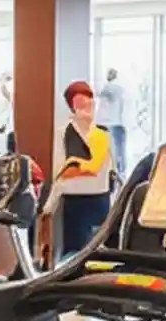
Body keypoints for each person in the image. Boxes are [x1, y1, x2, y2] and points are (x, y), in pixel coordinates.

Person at [43, 80, 114, 260]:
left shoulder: (103, 133)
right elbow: (60, 170)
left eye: (89, 100)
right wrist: (50, 203)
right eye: (80, 102)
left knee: (100, 253)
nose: (86, 106)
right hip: (75, 201)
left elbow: (109, 168)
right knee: (75, 254)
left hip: (101, 199)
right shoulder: (64, 133)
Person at [95, 68, 127, 175]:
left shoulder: (112, 87)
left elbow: (102, 92)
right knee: (118, 155)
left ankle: (115, 175)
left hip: (110, 123)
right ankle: (119, 175)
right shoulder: (119, 88)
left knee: (111, 155)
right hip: (116, 123)